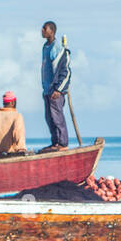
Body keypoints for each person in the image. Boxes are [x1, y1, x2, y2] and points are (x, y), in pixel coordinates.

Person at [39, 21, 72, 152]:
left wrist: (58, 89)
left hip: (55, 91)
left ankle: (62, 143)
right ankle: (55, 142)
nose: (42, 30)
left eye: (45, 29)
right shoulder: (45, 47)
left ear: (51, 31)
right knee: (49, 118)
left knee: (57, 117)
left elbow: (65, 71)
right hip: (47, 90)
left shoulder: (58, 48)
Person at [0, 92, 27, 157]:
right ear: (13, 103)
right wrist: (22, 150)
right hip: (8, 154)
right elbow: (19, 134)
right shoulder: (17, 115)